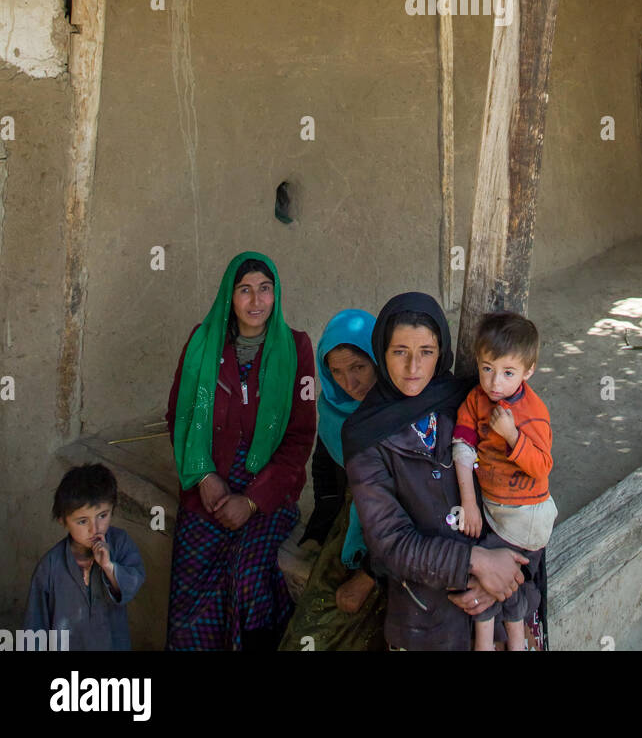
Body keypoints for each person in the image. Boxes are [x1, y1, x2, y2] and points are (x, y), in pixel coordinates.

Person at [342, 292, 529, 652]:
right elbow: (390, 541)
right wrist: (476, 564)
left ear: (440, 352)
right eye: (400, 351)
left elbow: (525, 492)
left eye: (426, 352)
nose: (413, 366)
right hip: (424, 618)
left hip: (502, 603)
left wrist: (501, 573)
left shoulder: (472, 403)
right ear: (382, 352)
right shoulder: (365, 434)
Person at [165, 250, 316, 651]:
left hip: (267, 494)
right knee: (191, 584)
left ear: (276, 295)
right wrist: (203, 476)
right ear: (229, 297)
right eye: (245, 290)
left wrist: (251, 502)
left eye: (265, 290)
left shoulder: (296, 349)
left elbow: (300, 438)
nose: (255, 301)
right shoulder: (202, 343)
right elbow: (178, 416)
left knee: (249, 574)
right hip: (208, 492)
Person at [279, 308, 386, 651]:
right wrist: (323, 526)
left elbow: (412, 503)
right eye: (336, 372)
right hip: (353, 526)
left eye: (358, 367)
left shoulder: (400, 414)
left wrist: (369, 576)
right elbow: (325, 469)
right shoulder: (332, 411)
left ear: (378, 358)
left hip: (392, 541)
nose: (350, 384)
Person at [453, 311, 556, 651]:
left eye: (508, 372)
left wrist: (513, 437)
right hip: (495, 510)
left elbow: (542, 466)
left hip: (525, 515)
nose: (495, 382)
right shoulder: (475, 400)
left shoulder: (533, 413)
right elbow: (463, 446)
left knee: (492, 578)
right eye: (487, 368)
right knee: (505, 581)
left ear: (528, 371)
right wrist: (469, 502)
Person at [24, 463, 145, 650]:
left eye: (102, 516)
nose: (94, 528)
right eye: (82, 521)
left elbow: (133, 582)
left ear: (113, 509)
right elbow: (35, 624)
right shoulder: (50, 566)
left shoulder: (120, 543)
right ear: (63, 521)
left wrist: (109, 567)